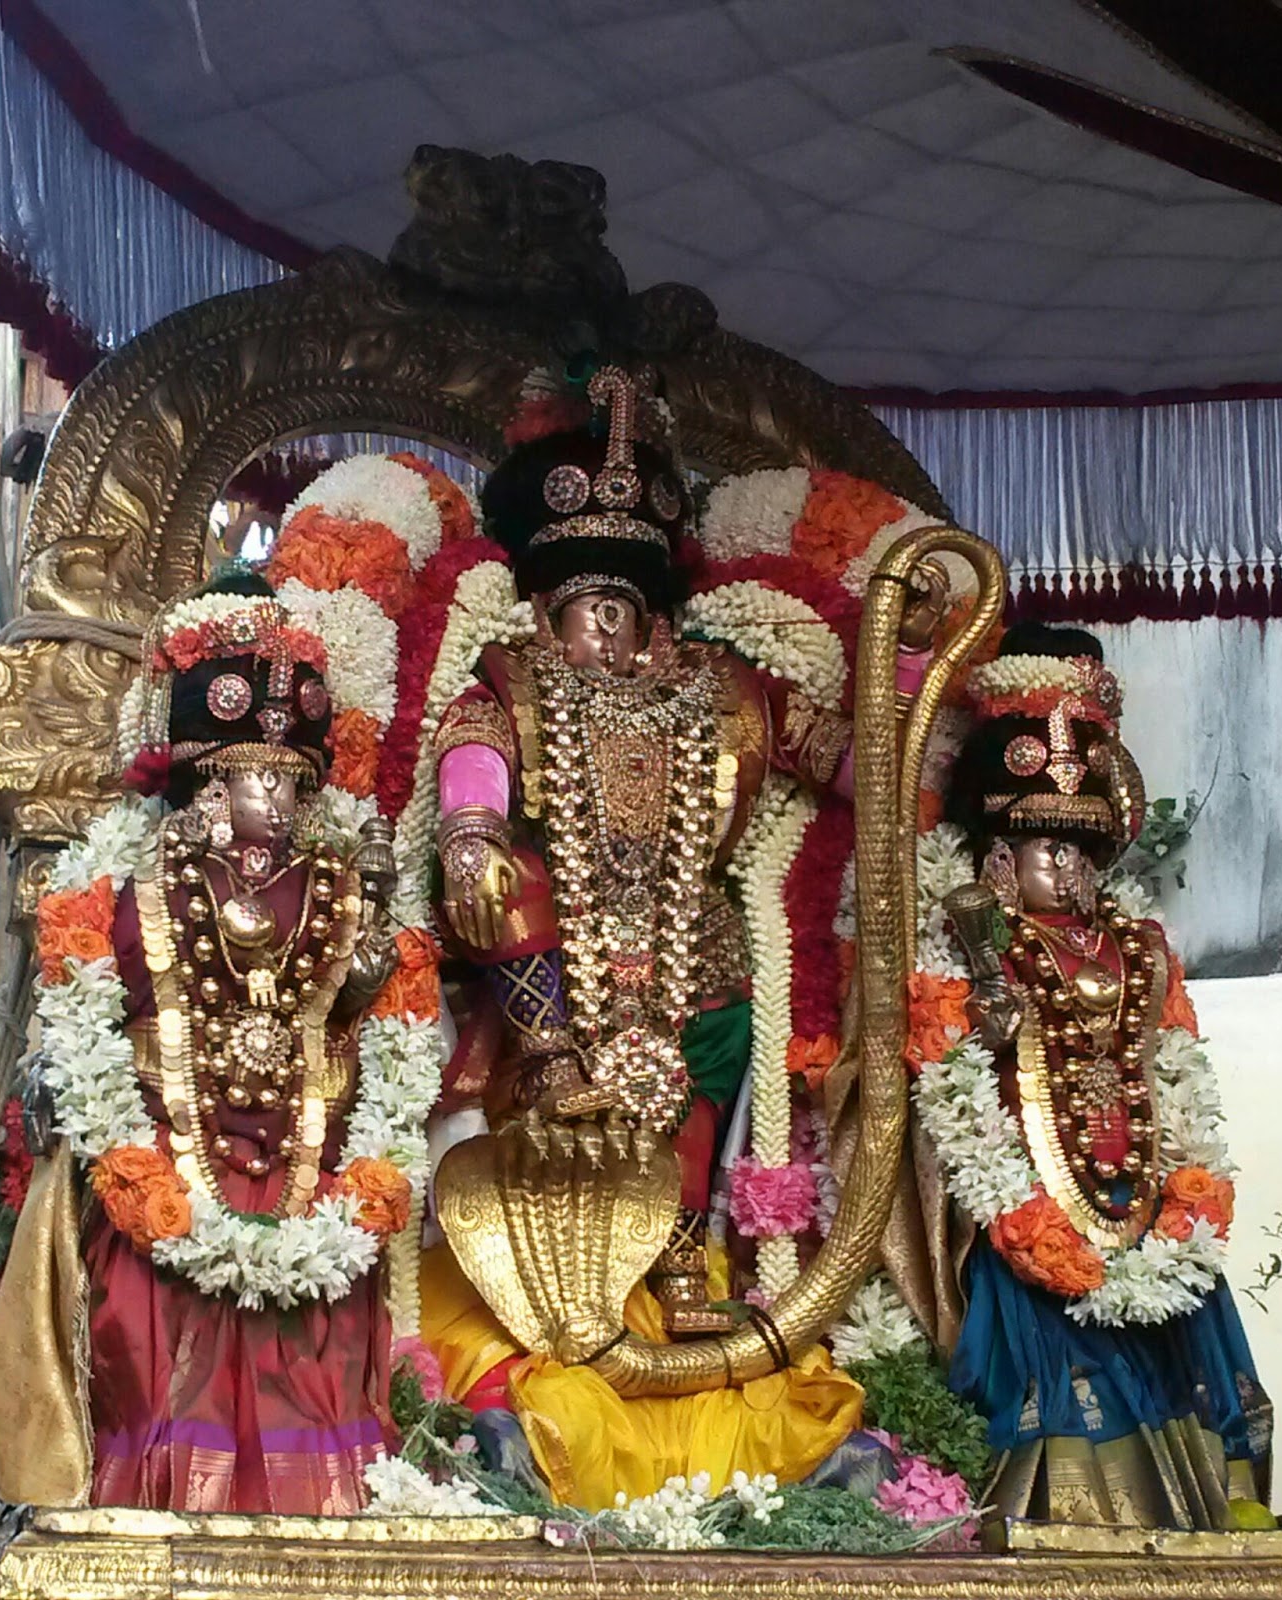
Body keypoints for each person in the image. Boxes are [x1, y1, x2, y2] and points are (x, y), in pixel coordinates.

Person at [418, 368, 936, 1506]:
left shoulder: (726, 689)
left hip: (698, 978)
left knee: (684, 1193)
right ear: (544, 603)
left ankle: (690, 1327)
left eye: (621, 606)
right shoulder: (508, 679)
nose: (602, 627)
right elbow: (470, 786)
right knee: (500, 910)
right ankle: (553, 1355)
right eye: (581, 606)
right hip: (545, 996)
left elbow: (862, 765)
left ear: (657, 604)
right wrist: (470, 834)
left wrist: (908, 673)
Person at [0, 571, 407, 1513]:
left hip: (307, 1182)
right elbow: (95, 997)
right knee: (142, 1347)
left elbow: (373, 1005)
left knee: (315, 1369)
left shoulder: (336, 885)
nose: (283, 800)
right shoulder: (137, 889)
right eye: (265, 777)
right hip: (165, 1172)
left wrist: (372, 940)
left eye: (298, 782)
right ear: (211, 782)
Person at [939, 622, 1272, 1528]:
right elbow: (961, 1067)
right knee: (1057, 1370)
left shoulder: (1138, 945)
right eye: (1050, 850)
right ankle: (1066, 1526)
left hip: (1144, 1183)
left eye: (1083, 851)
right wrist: (993, 1015)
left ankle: (1194, 1522)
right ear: (1002, 861)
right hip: (1033, 1183)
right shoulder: (986, 944)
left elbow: (1169, 1061)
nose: (1071, 870)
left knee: (1174, 1335)